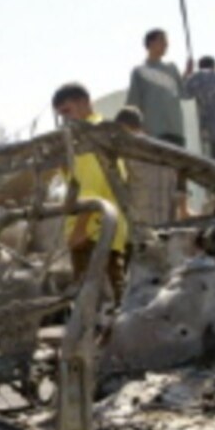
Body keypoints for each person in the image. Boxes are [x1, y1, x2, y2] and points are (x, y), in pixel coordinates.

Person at [53, 84, 130, 304]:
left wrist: (79, 229)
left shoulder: (88, 135)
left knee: (92, 308)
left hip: (92, 232)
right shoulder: (100, 132)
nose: (66, 120)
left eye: (67, 111)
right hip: (106, 230)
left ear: (85, 102)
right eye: (61, 115)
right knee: (112, 300)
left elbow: (93, 185)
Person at [114, 107, 181, 226]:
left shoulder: (128, 152)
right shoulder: (166, 154)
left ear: (122, 127)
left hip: (140, 230)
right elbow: (174, 200)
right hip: (166, 230)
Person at [126, 28, 187, 146]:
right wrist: (137, 129)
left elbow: (182, 94)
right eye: (162, 40)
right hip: (154, 133)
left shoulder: (172, 68)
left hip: (176, 131)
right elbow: (133, 103)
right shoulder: (139, 71)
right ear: (150, 44)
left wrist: (187, 76)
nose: (166, 44)